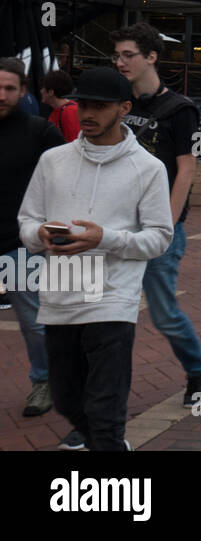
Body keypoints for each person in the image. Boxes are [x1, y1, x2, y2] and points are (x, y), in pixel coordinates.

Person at [19, 67, 173, 451]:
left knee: (105, 409)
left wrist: (105, 238)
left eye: (99, 106)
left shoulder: (148, 168)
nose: (88, 113)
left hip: (112, 298)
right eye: (83, 104)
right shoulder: (53, 160)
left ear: (124, 108)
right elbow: (27, 220)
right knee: (68, 399)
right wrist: (39, 235)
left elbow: (159, 238)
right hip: (61, 293)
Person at [112, 22, 201, 410]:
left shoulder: (180, 109)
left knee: (163, 313)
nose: (120, 62)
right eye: (117, 55)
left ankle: (198, 364)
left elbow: (186, 169)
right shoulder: (120, 104)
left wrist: (167, 226)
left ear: (151, 57)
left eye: (128, 55)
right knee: (102, 309)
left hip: (160, 227)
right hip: (118, 224)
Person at [1, 58, 67, 419]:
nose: (2, 95)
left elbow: (68, 184)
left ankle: (44, 381)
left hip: (19, 246)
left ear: (23, 91)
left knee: (33, 321)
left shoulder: (40, 132)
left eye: (10, 88)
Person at [41, 70, 80, 143]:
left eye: (43, 88)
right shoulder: (59, 110)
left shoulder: (70, 111)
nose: (41, 91)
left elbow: (74, 144)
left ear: (51, 92)